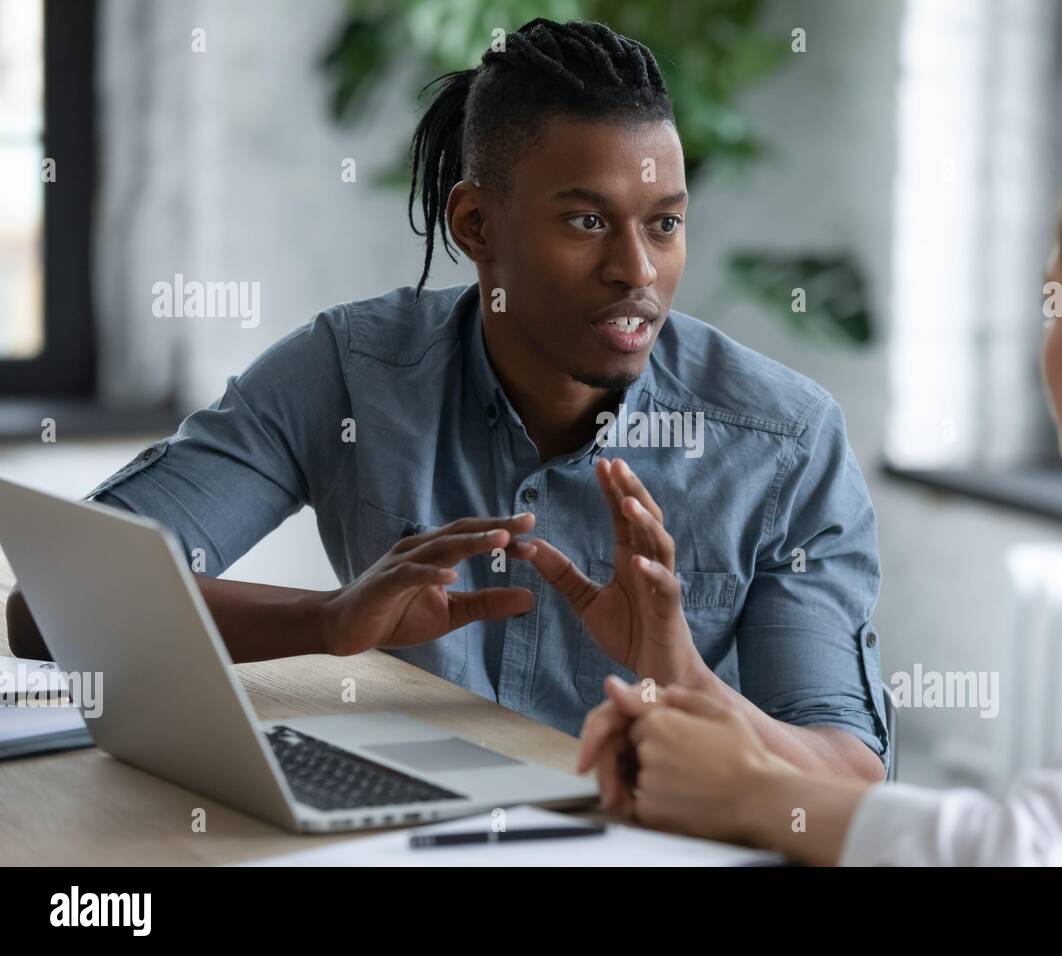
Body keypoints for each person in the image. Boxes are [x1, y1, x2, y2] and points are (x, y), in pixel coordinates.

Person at [6, 18, 888, 781]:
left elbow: (846, 775)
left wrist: (683, 673)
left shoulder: (784, 443)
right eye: (586, 221)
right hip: (399, 834)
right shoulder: (348, 370)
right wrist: (326, 621)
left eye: (663, 222)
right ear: (476, 226)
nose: (637, 271)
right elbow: (50, 610)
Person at [577, 131, 1062, 865]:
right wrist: (694, 704)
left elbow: (1034, 850)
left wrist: (747, 793)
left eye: (1059, 308)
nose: (1039, 347)